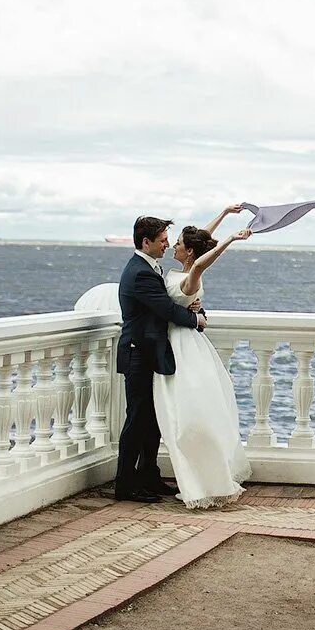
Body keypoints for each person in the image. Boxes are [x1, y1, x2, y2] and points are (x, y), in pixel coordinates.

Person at [154, 204, 254, 507]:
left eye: (178, 244)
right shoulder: (185, 268)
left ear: (188, 253)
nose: (173, 246)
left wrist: (232, 239)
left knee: (186, 416)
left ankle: (202, 480)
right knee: (182, 415)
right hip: (182, 342)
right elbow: (201, 242)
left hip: (183, 347)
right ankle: (197, 475)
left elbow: (200, 262)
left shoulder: (191, 277)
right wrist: (223, 215)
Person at [115, 215, 206, 502]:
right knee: (137, 420)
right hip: (137, 353)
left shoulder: (150, 268)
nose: (167, 244)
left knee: (152, 420)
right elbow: (165, 308)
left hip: (150, 353)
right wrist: (196, 320)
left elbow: (170, 303)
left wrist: (194, 310)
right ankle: (125, 484)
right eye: (163, 240)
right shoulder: (140, 273)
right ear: (146, 242)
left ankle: (148, 476)